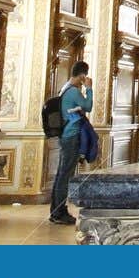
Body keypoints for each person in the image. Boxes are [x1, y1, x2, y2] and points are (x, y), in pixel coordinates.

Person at [49, 59, 92, 225]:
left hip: (65, 135)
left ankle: (56, 210)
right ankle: (59, 212)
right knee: (65, 174)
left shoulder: (64, 88)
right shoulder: (73, 91)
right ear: (82, 75)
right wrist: (89, 89)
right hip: (71, 135)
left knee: (62, 173)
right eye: (85, 76)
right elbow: (88, 106)